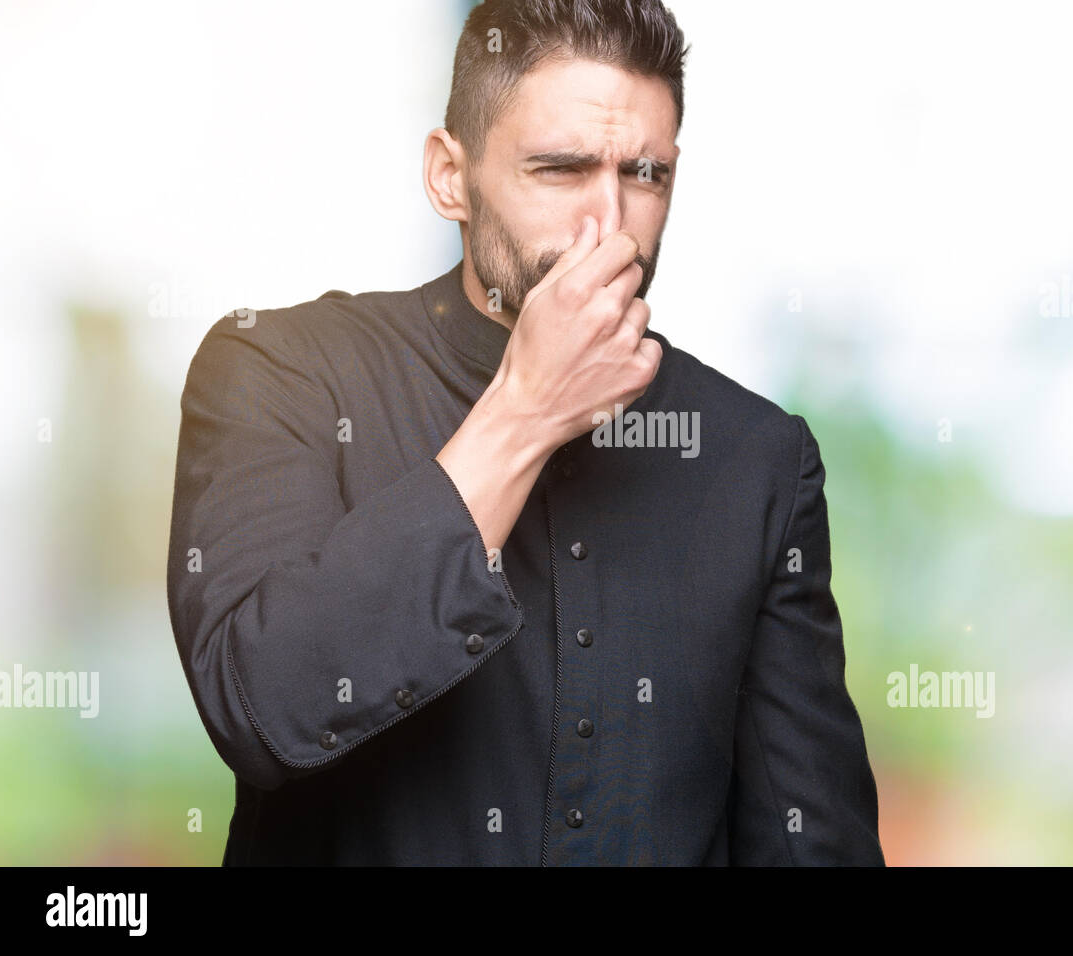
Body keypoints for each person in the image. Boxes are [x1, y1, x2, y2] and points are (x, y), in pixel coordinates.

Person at [166, 0, 884, 866]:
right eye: (560, 169)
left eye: (645, 174)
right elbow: (261, 705)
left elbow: (816, 843)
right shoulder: (281, 370)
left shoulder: (757, 458)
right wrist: (526, 410)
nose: (609, 223)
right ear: (448, 175)